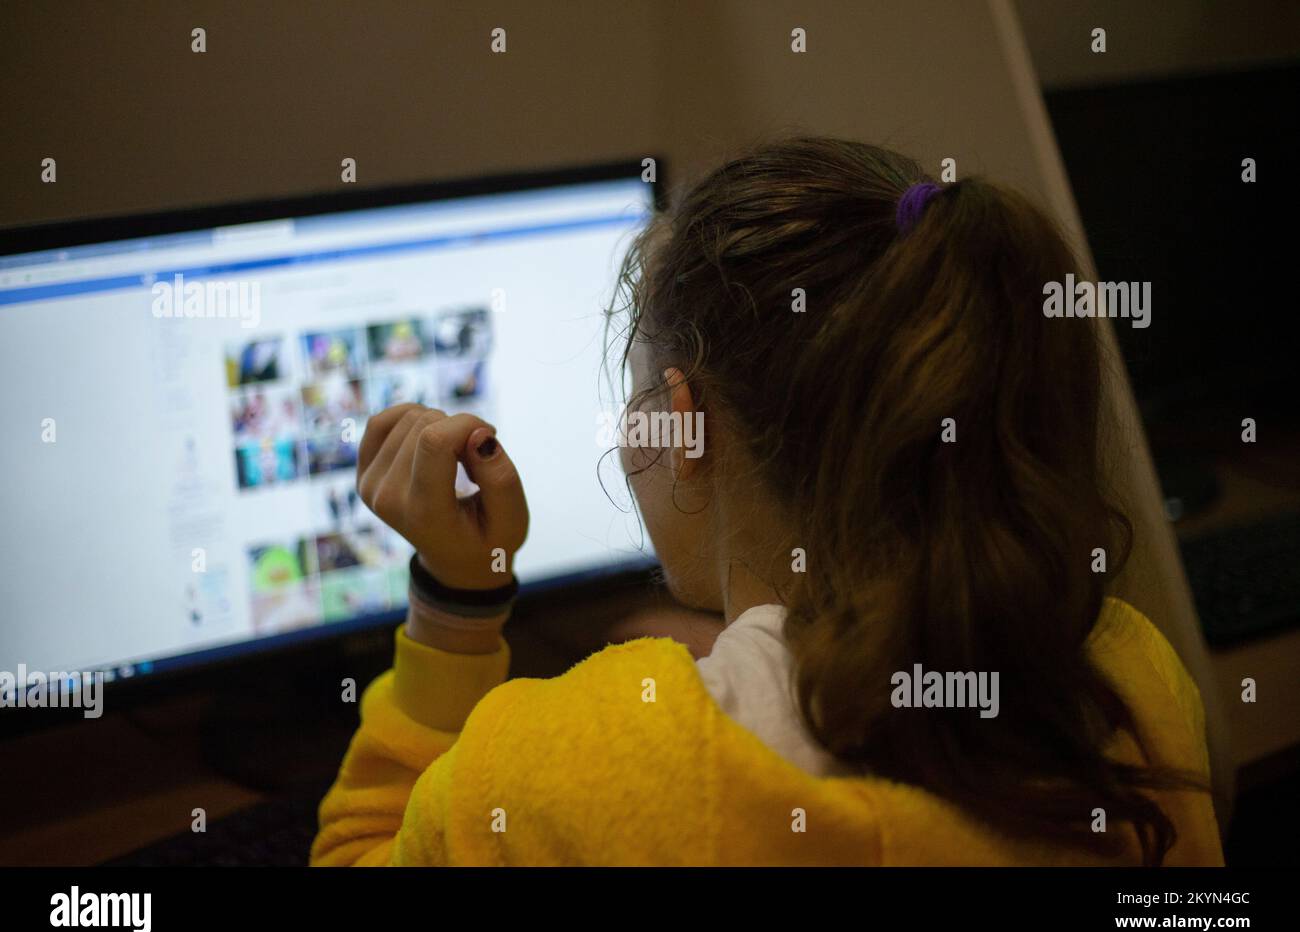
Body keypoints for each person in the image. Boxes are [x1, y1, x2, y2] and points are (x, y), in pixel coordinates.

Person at [310, 137, 1223, 866]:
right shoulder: (1128, 677)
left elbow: (360, 855)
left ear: (685, 427)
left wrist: (458, 606)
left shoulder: (573, 771)